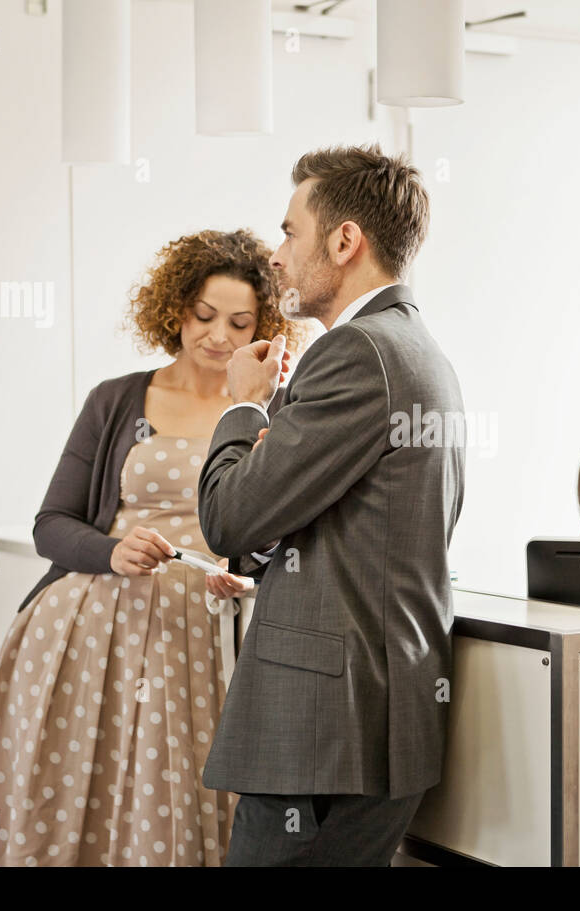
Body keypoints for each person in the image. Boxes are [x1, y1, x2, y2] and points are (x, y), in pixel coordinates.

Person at [0, 229, 309, 866]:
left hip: (203, 637)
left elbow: (281, 533)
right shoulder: (116, 399)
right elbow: (51, 523)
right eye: (203, 315)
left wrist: (246, 573)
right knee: (76, 799)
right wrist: (111, 550)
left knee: (176, 797)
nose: (218, 337)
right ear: (174, 310)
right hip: (92, 631)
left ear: (265, 328)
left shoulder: (269, 411)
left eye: (239, 322)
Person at [196, 144, 466, 866]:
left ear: (345, 241)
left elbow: (230, 518)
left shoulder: (357, 353)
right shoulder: (412, 351)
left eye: (290, 232)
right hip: (361, 727)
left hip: (323, 736)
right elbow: (305, 526)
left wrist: (244, 409)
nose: (276, 255)